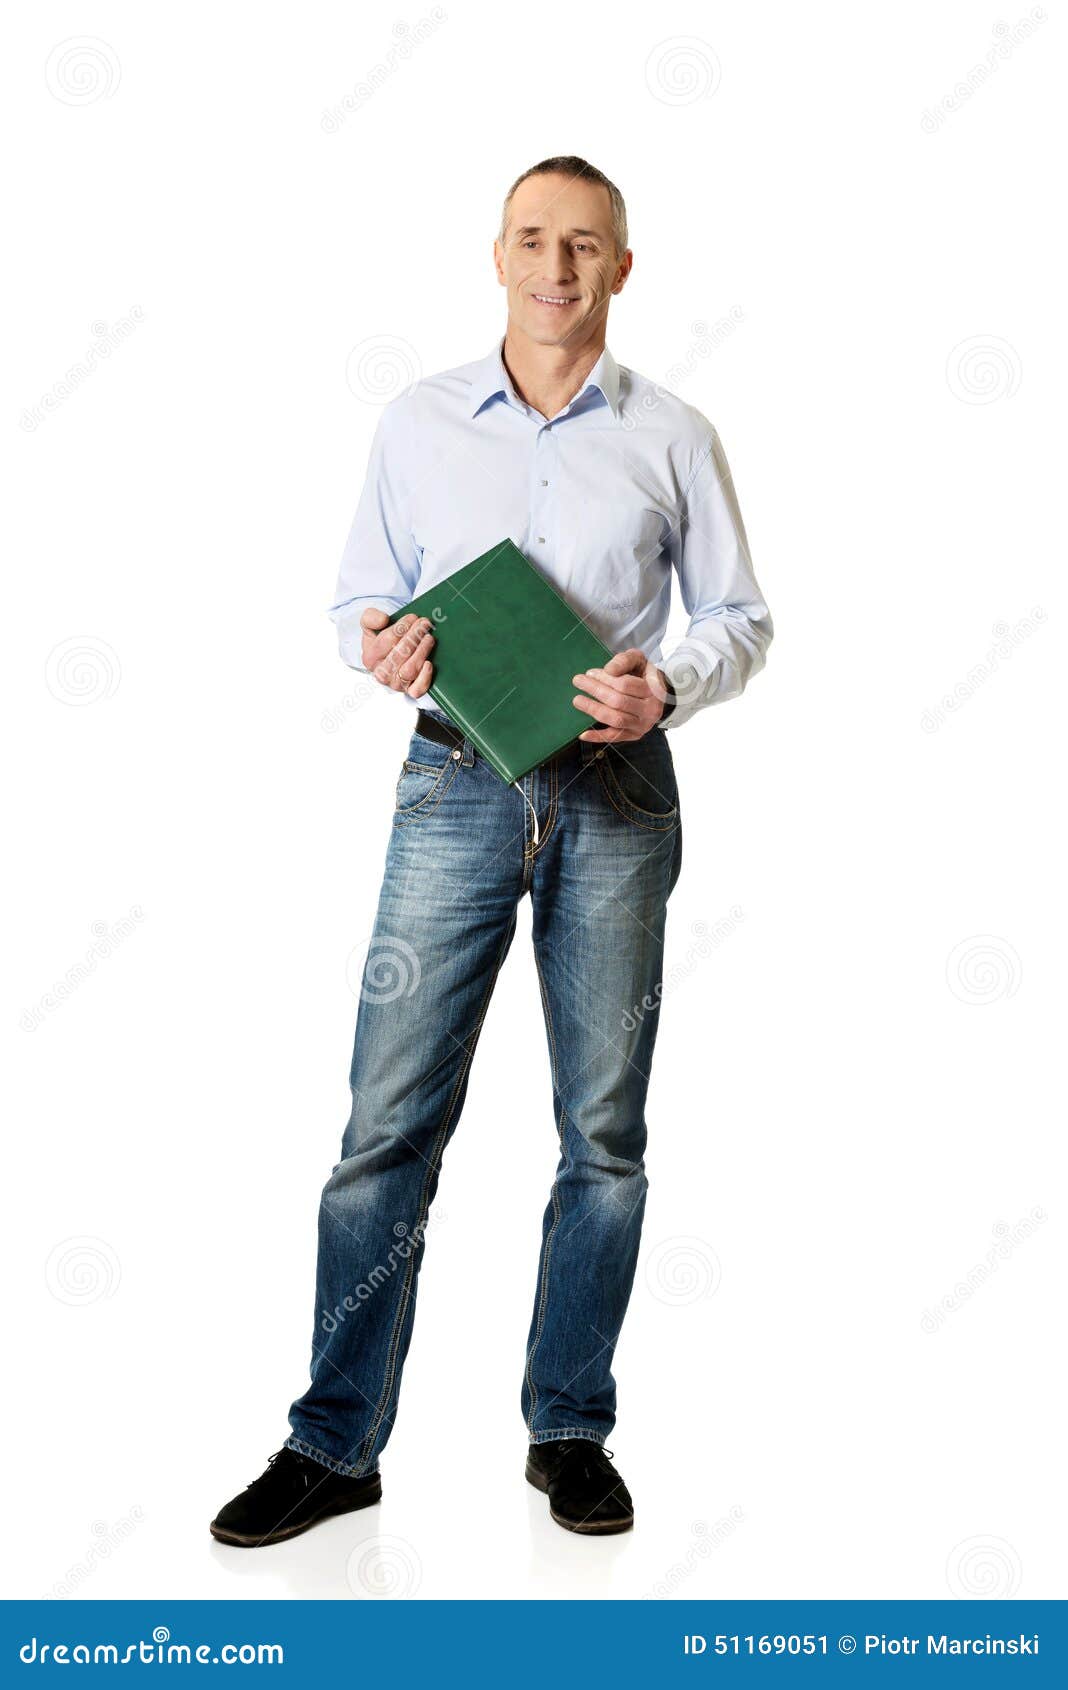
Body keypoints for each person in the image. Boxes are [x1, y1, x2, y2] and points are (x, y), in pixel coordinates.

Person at [211, 155, 772, 1546]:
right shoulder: (416, 422)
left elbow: (742, 617)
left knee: (603, 1132)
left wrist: (672, 683)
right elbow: (362, 593)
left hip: (618, 793)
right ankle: (334, 1443)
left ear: (623, 269)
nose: (557, 267)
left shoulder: (676, 434)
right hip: (455, 786)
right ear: (499, 255)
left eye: (586, 245)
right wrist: (382, 645)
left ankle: (568, 1428)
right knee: (384, 1125)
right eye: (534, 239)